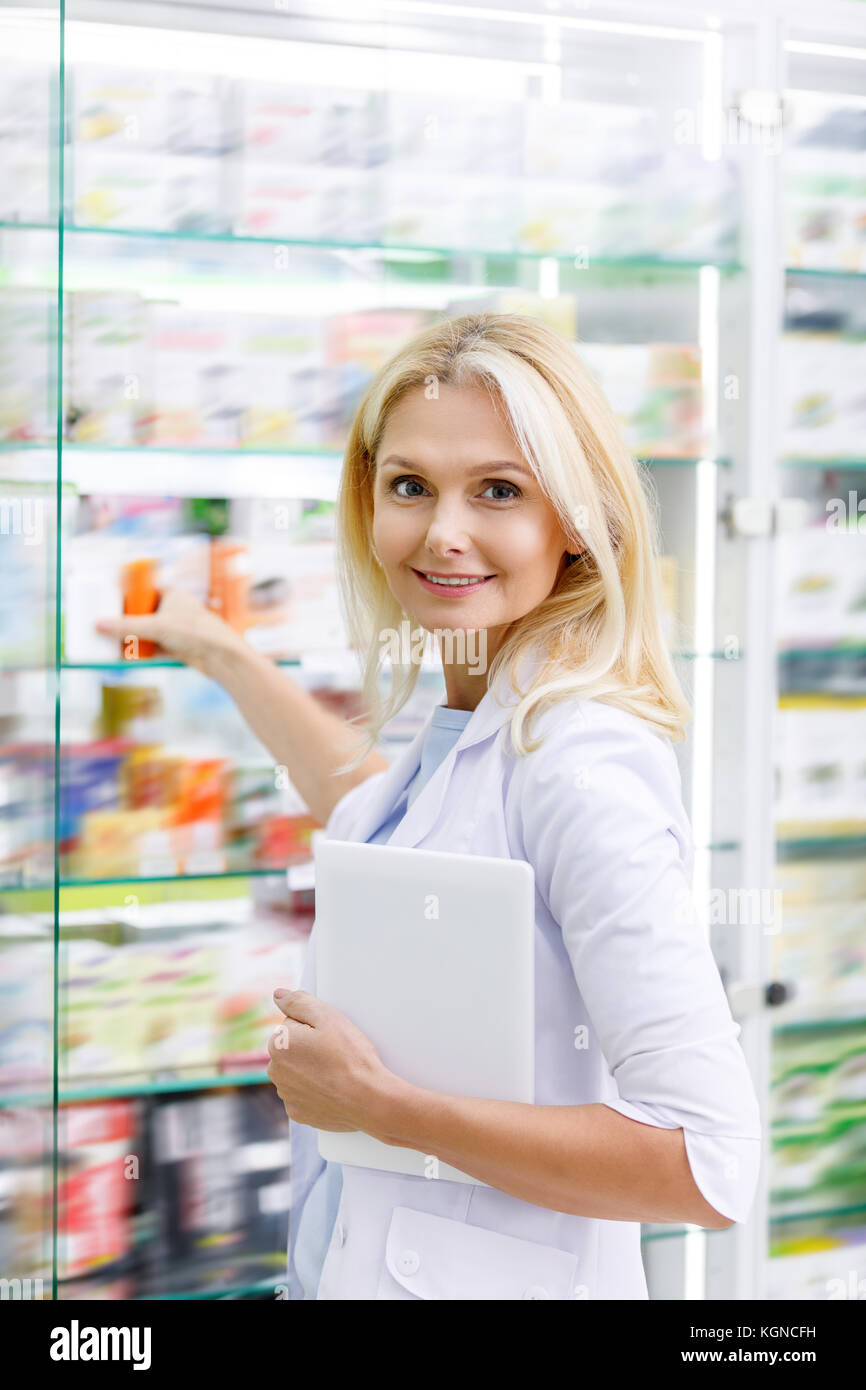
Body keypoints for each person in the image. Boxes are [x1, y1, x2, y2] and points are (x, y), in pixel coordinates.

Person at [98, 313, 762, 1301]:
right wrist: (226, 653)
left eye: (497, 490)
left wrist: (383, 1106)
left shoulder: (579, 761)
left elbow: (707, 1162)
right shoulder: (464, 701)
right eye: (409, 485)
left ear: (572, 522)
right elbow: (376, 813)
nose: (442, 531)